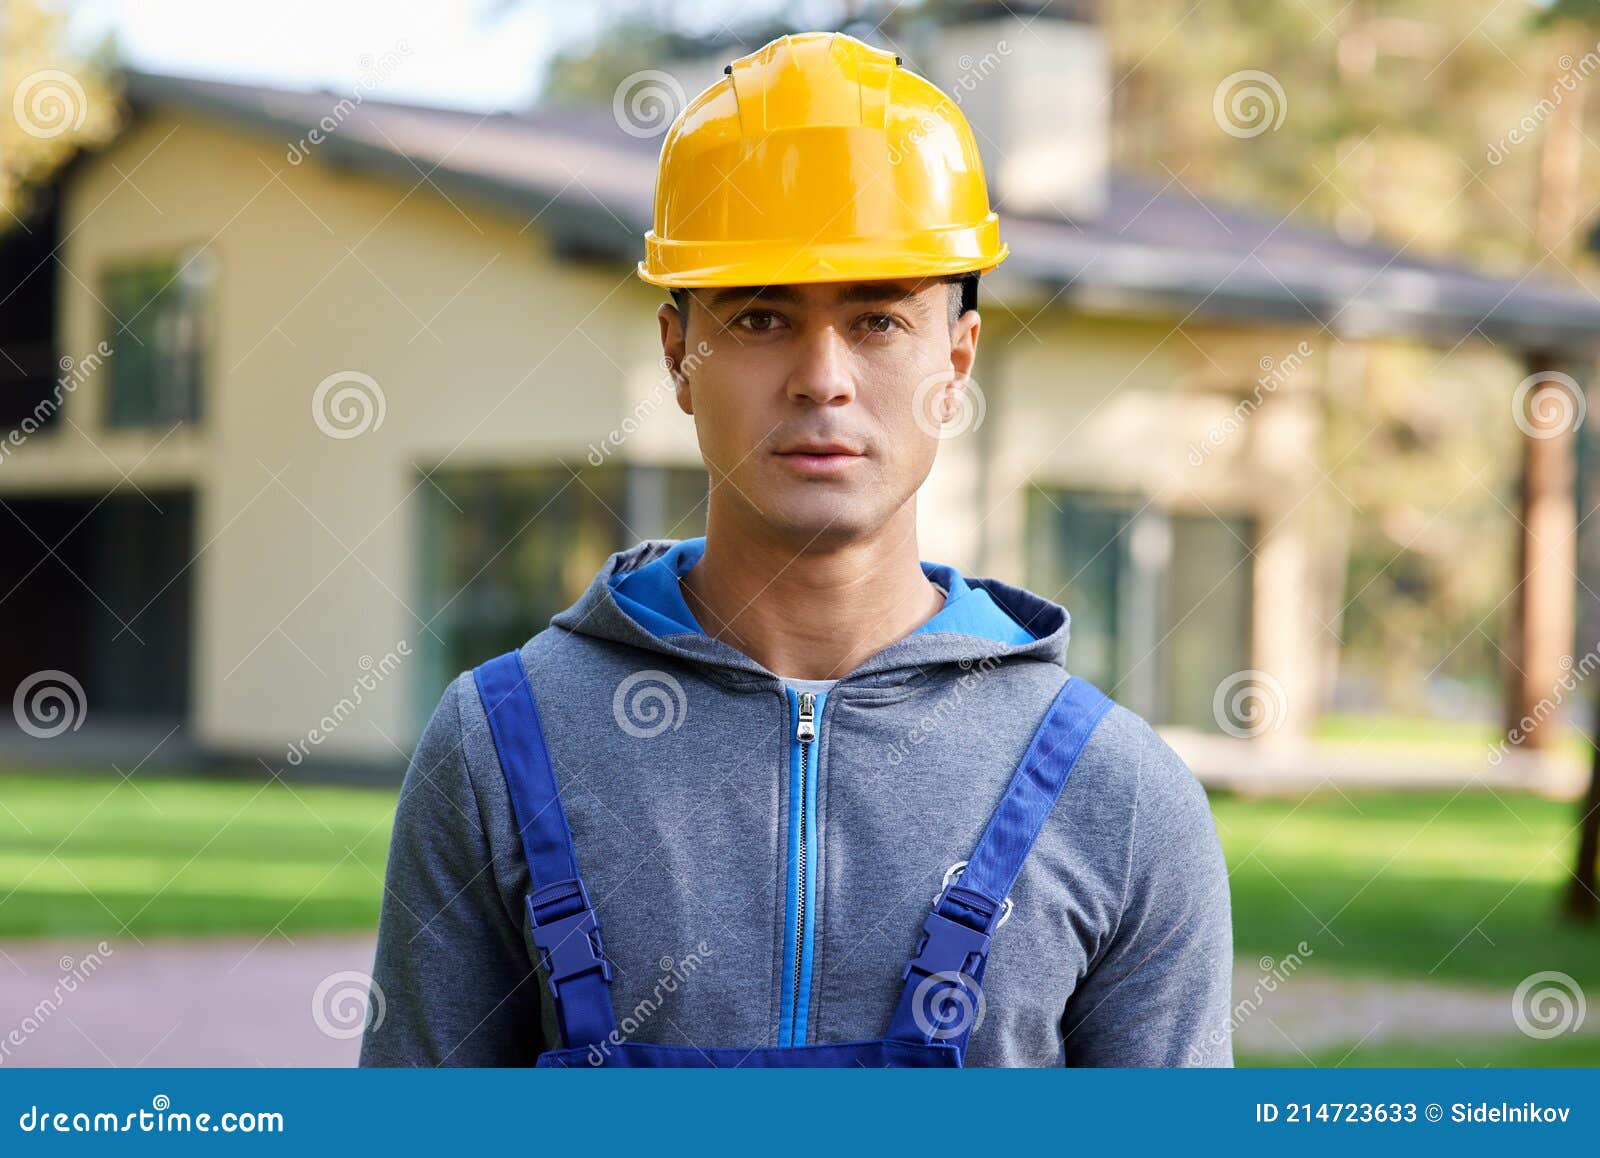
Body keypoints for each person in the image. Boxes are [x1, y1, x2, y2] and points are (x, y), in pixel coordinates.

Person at [361, 30, 1232, 1068]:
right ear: (679, 353)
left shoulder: (1120, 795)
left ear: (955, 361)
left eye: (875, 322)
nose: (822, 379)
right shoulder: (499, 750)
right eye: (764, 316)